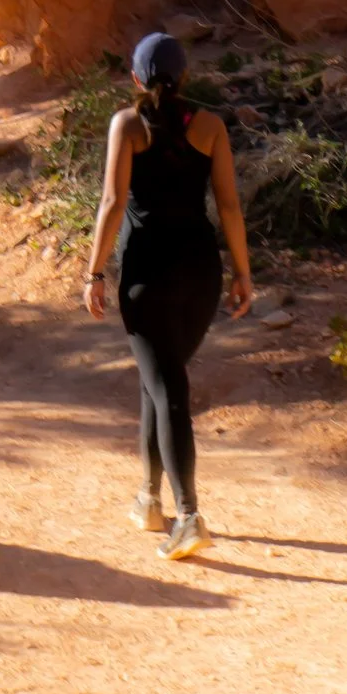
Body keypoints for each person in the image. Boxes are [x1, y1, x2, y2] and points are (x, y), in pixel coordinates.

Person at [84, 30, 253, 561]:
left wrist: (93, 272)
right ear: (183, 78)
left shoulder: (128, 125)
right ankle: (150, 500)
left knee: (167, 386)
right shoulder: (209, 127)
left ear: (135, 77)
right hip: (200, 272)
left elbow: (113, 202)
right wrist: (243, 273)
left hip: (146, 274)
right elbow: (228, 207)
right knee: (156, 381)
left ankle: (189, 515)